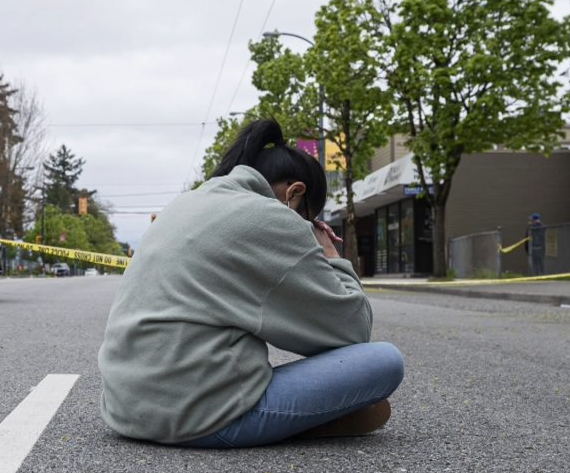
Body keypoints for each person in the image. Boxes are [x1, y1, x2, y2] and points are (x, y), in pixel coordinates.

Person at [98, 119, 404, 447]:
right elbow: (353, 329)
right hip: (201, 417)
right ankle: (286, 423)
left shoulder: (185, 203)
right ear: (295, 194)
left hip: (123, 410)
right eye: (311, 219)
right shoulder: (273, 218)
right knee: (385, 361)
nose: (310, 229)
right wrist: (328, 250)